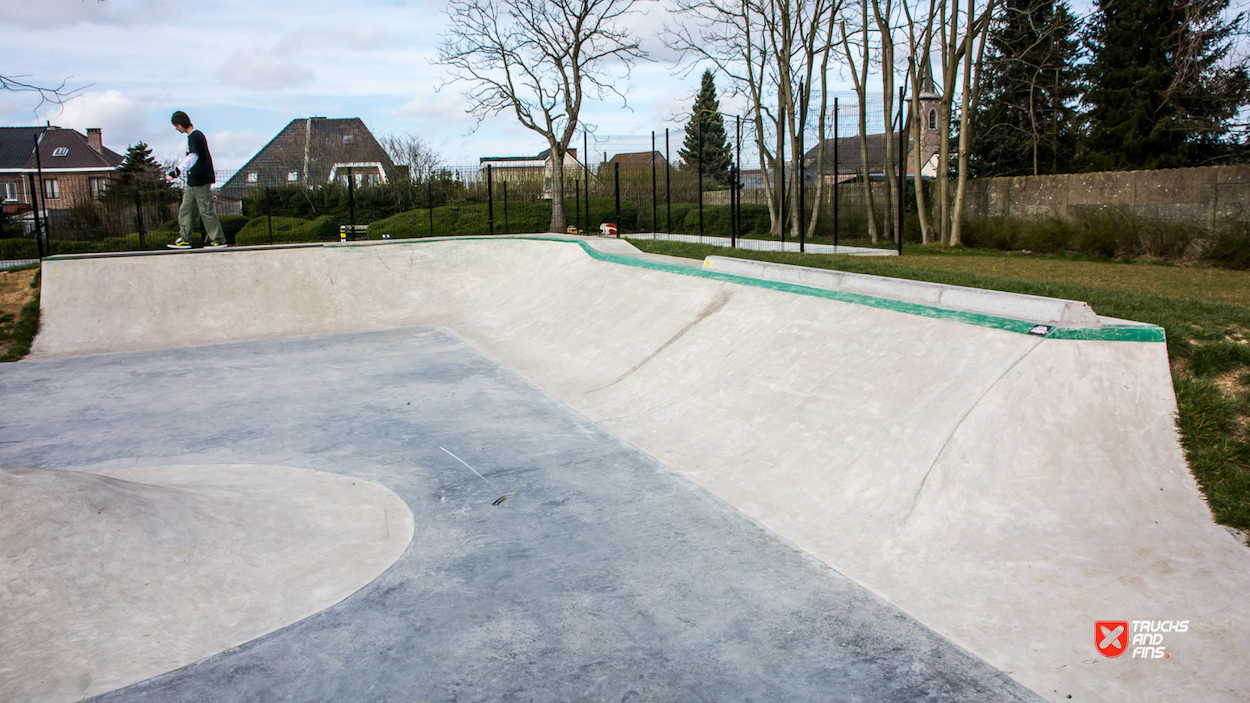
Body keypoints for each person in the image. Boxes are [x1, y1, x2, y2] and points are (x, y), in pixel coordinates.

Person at [166, 111, 226, 248]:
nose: (176, 128)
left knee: (205, 210)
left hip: (201, 180)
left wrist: (176, 171)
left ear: (181, 124)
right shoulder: (191, 137)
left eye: (176, 125)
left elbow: (193, 157)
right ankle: (185, 239)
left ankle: (218, 239)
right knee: (185, 210)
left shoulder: (196, 136)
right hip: (192, 181)